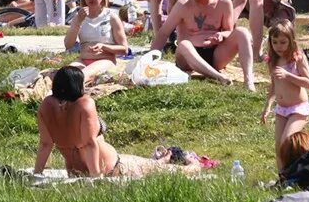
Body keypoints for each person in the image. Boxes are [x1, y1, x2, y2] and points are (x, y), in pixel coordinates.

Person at [33, 65, 204, 178]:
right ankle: (194, 165)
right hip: (112, 168)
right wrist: (96, 178)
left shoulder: (46, 106)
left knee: (146, 163)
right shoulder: (84, 103)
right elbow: (89, 143)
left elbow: (45, 144)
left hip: (75, 172)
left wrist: (37, 173)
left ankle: (162, 160)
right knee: (179, 172)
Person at [149, 0, 254, 88]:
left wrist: (221, 35)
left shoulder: (224, 2)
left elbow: (228, 31)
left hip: (215, 54)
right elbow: (163, 33)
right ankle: (218, 77)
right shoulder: (184, 4)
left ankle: (249, 82)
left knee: (242, 32)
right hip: (188, 57)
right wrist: (149, 59)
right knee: (184, 44)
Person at [259, 19, 309, 154]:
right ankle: (282, 174)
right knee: (279, 147)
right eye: (274, 42)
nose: (279, 46)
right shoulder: (273, 60)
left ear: (291, 41)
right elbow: (274, 86)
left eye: (283, 42)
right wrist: (267, 106)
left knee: (286, 141)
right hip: (282, 109)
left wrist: (288, 75)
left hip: (298, 108)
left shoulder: (297, 58)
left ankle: (292, 173)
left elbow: (308, 83)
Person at [62, 0, 127, 67]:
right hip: (83, 60)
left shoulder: (112, 17)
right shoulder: (79, 16)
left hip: (105, 60)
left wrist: (104, 47)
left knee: (84, 75)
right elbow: (68, 45)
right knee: (68, 75)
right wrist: (78, 22)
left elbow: (124, 49)